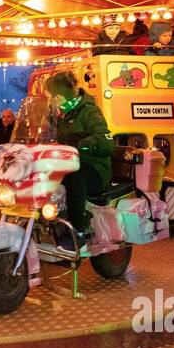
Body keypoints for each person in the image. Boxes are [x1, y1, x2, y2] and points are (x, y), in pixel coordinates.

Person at [45, 72, 116, 235]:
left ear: (59, 98)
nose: (48, 101)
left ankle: (78, 228)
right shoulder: (59, 116)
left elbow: (106, 141)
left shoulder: (89, 112)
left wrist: (80, 145)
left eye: (50, 97)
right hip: (68, 165)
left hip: (95, 168)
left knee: (72, 176)